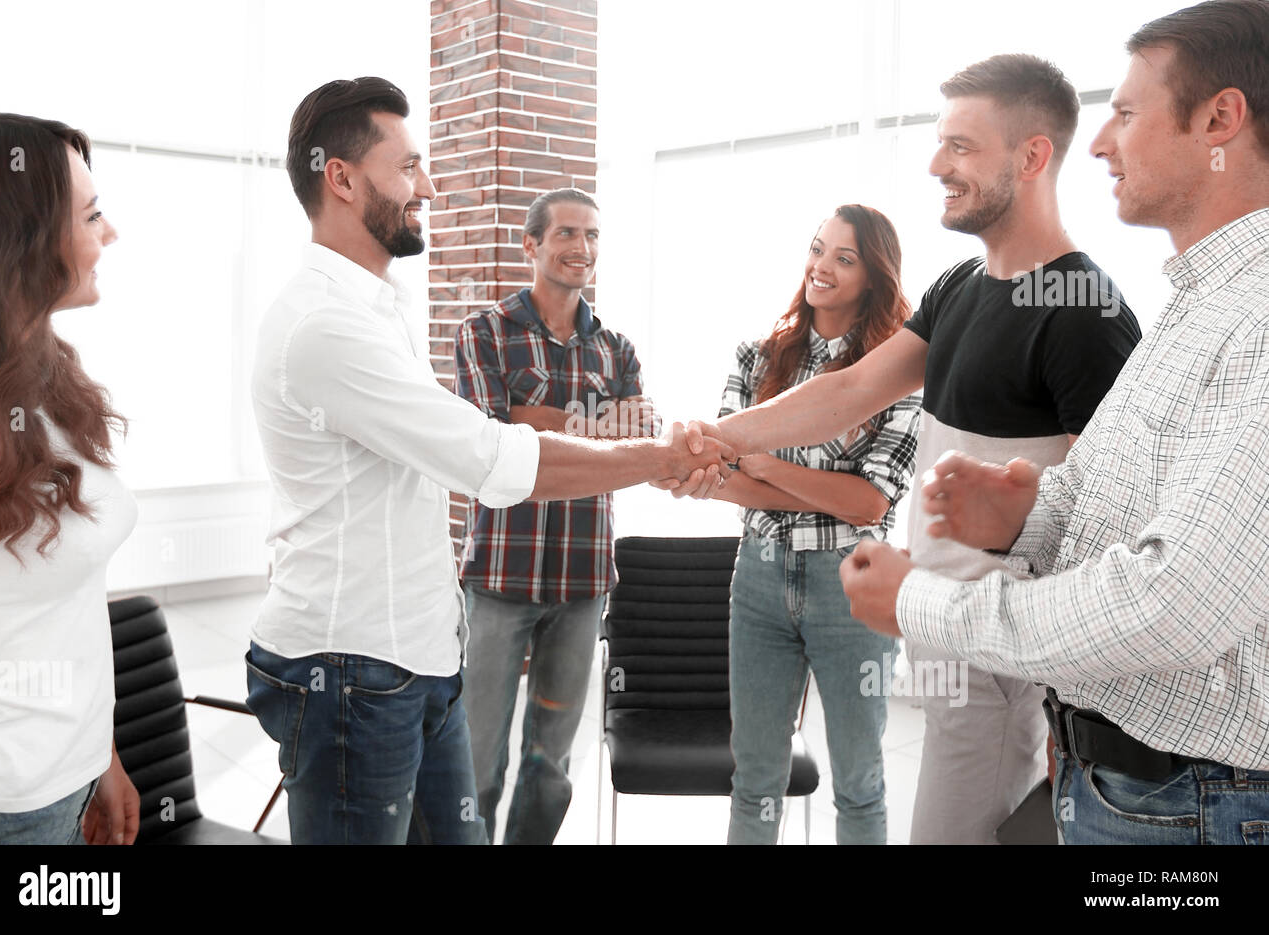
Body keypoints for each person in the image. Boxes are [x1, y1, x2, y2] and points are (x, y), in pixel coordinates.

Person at [247, 78, 729, 845]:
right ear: (339, 177)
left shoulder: (382, 307)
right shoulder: (325, 327)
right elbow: (491, 449)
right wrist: (655, 453)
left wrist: (625, 439)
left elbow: (510, 433)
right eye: (408, 169)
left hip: (421, 653)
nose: (429, 187)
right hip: (350, 669)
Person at [675, 55, 1142, 844]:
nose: (936, 165)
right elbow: (848, 391)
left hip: (999, 664)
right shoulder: (962, 284)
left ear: (1030, 157)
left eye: (960, 147)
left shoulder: (1084, 312)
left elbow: (1111, 523)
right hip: (942, 642)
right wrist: (719, 437)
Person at [838, 0, 1269, 846]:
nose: (1102, 143)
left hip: (1196, 808)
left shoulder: (1246, 315)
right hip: (1128, 786)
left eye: (1127, 112)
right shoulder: (1196, 304)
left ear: (1220, 117)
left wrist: (921, 603)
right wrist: (1029, 514)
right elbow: (1138, 503)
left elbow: (1173, 601)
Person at [455, 188, 659, 844]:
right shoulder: (483, 335)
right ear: (531, 244)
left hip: (583, 577)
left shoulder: (617, 348)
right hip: (499, 574)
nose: (582, 247)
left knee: (553, 766)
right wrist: (596, 425)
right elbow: (488, 436)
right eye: (567, 232)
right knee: (477, 758)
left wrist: (535, 418)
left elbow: (643, 437)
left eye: (593, 235)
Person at [710, 206, 920, 844]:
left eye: (844, 258)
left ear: (873, 276)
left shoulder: (896, 372)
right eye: (817, 249)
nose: (821, 267)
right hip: (759, 582)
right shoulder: (756, 356)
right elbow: (723, 476)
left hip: (851, 588)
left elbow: (869, 505)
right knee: (755, 779)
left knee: (859, 784)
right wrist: (802, 485)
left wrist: (766, 463)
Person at [0, 110, 140, 845]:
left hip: (65, 775)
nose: (111, 234)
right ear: (19, 238)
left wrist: (101, 751)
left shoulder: (50, 380)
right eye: (93, 215)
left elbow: (71, 590)